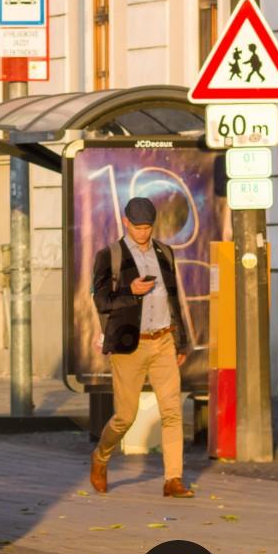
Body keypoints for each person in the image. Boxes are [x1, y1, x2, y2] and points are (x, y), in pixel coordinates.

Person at [89, 195, 194, 498]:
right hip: (128, 345)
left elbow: (174, 300)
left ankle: (172, 479)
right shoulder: (109, 256)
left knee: (172, 411)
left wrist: (181, 340)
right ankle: (101, 457)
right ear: (125, 222)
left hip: (163, 340)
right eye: (137, 227)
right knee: (125, 416)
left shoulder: (165, 253)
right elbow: (100, 300)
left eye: (147, 227)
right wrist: (130, 291)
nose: (143, 233)